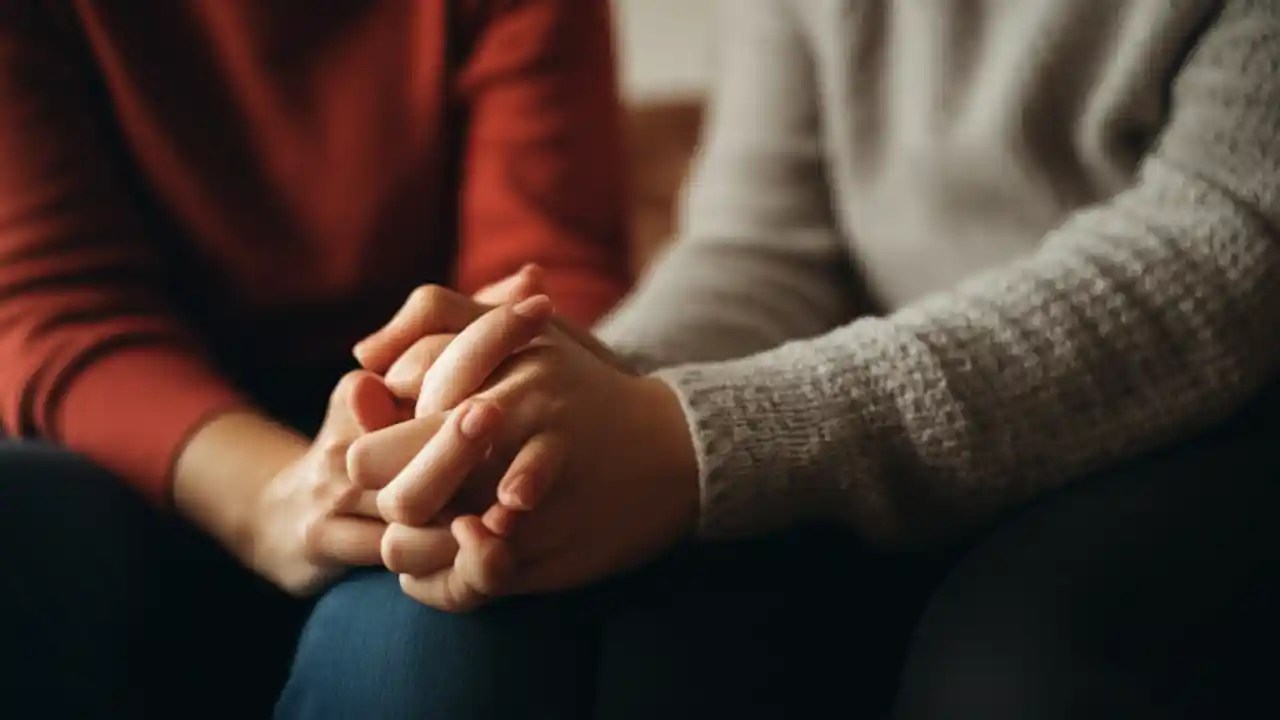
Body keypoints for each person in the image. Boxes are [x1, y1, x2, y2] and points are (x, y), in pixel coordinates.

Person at [279, 0, 1280, 718]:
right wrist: (582, 391)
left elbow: (1222, 250)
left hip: (1209, 428)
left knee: (1020, 675)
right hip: (888, 410)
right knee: (636, 650)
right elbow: (764, 246)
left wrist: (689, 435)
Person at [0, 0, 628, 716]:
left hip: (413, 435)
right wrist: (272, 499)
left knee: (442, 629)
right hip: (145, 455)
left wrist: (458, 426)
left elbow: (546, 269)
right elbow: (55, 307)